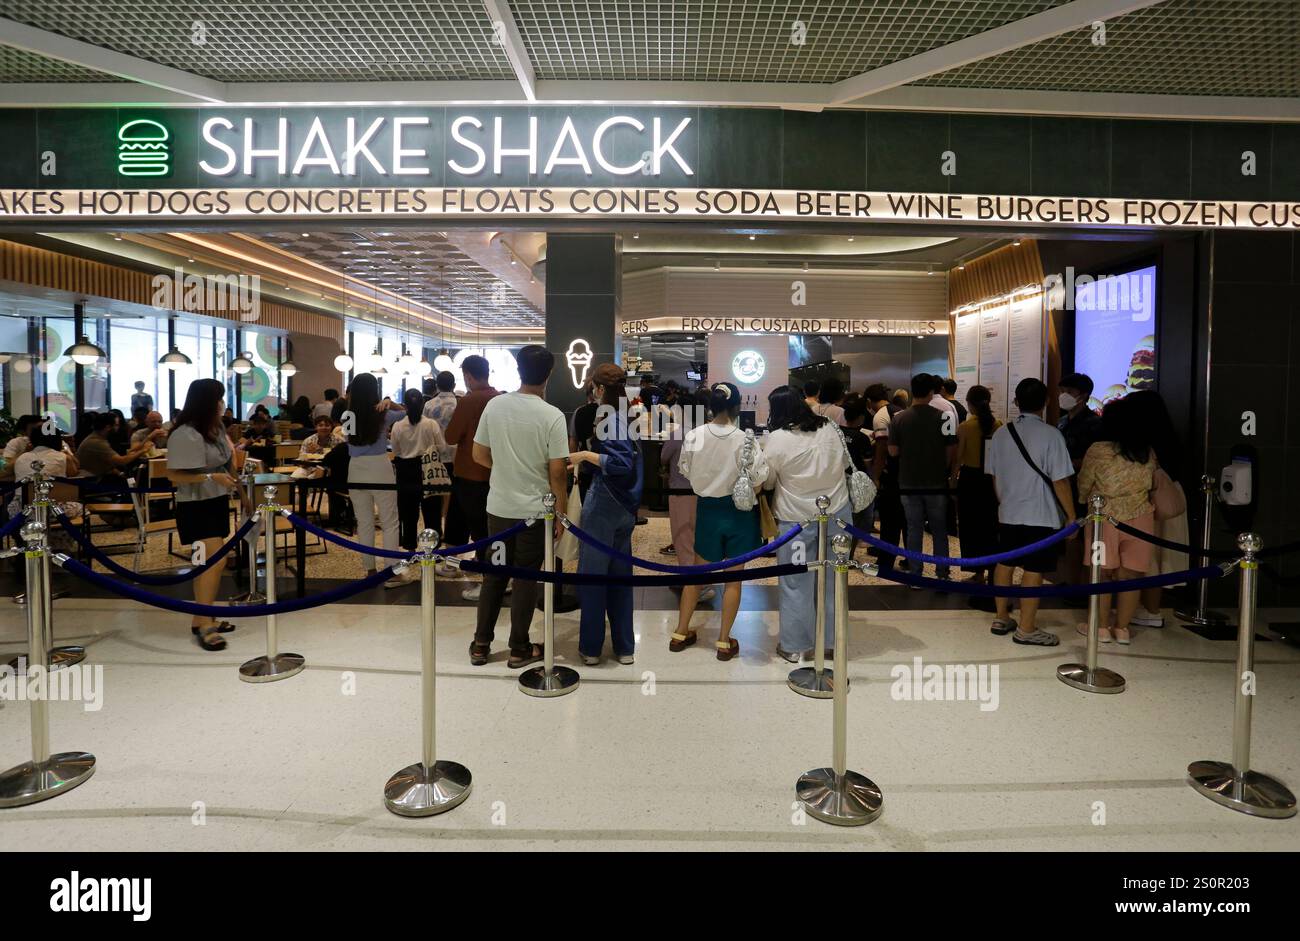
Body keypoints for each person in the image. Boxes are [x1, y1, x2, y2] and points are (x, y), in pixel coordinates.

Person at [468, 345, 567, 669]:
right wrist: (560, 514)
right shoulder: (551, 415)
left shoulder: (496, 406)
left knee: (494, 576)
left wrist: (505, 467)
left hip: (498, 509)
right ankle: (518, 648)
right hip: (534, 513)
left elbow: (478, 455)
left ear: (518, 370)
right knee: (525, 578)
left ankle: (481, 644)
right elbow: (557, 472)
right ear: (549, 374)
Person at [672, 381, 767, 662]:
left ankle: (680, 632)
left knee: (697, 575)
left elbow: (685, 471)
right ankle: (724, 641)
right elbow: (760, 480)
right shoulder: (746, 439)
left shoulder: (695, 436)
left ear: (710, 407)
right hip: (738, 513)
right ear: (738, 407)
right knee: (734, 580)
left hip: (707, 511)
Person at [986, 378, 1077, 646]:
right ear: (1047, 402)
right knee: (1034, 569)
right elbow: (1060, 480)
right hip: (1041, 514)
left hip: (1009, 511)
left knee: (1005, 564)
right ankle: (1026, 628)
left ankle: (1001, 616)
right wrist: (1071, 516)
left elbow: (994, 476)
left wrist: (1005, 501)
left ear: (1016, 402)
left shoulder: (1001, 433)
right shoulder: (1052, 435)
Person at [764, 386, 851, 662]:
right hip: (838, 513)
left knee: (795, 582)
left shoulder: (777, 439)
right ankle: (830, 644)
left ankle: (794, 646)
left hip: (796, 519)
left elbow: (767, 480)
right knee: (835, 580)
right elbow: (844, 465)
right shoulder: (830, 429)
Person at [568, 363, 643, 666]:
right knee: (620, 577)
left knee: (594, 577)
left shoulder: (607, 416)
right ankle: (624, 646)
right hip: (625, 506)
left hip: (605, 502)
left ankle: (591, 648)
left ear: (598, 388)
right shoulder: (628, 414)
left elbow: (620, 464)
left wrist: (585, 455)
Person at [167, 378, 246, 651]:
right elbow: (174, 474)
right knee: (214, 561)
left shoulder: (216, 428)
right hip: (195, 505)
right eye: (219, 398)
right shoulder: (185, 434)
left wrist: (242, 493)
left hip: (216, 502)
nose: (222, 404)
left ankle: (202, 616)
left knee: (208, 563)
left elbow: (229, 463)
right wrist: (211, 476)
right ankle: (205, 623)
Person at [1077, 397, 1157, 645]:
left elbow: (1084, 483)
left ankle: (1100, 627)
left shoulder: (1098, 450)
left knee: (1101, 574)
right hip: (1141, 517)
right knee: (1131, 576)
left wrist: (1082, 499)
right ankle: (1122, 629)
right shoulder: (1146, 451)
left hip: (1104, 518)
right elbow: (1151, 482)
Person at [1124, 390, 1187, 628]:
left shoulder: (1143, 444)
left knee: (1149, 560)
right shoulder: (1170, 436)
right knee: (1160, 560)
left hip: (1152, 503)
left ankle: (1149, 611)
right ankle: (1151, 609)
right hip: (1171, 500)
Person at [888, 373, 957, 579]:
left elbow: (892, 451)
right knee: (939, 529)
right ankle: (942, 572)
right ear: (931, 392)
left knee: (913, 528)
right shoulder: (944, 417)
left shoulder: (898, 418)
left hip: (908, 481)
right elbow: (951, 449)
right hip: (936, 481)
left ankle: (915, 573)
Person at [443, 354, 498, 602]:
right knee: (492, 527)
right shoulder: (499, 398)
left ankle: (490, 582)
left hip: (470, 473)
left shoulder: (468, 401)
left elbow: (451, 436)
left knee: (477, 528)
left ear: (467, 375)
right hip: (496, 473)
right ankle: (495, 572)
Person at [344, 372, 405, 579]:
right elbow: (406, 412)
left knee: (364, 522)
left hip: (355, 468)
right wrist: (390, 402)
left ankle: (370, 569)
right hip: (380, 466)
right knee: (389, 521)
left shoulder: (347, 416)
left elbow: (349, 440)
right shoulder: (383, 414)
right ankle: (392, 570)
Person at [391, 386, 448, 579]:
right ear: (423, 404)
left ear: (405, 405)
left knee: (408, 512)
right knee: (431, 511)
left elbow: (396, 451)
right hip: (427, 468)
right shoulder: (431, 424)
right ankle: (433, 549)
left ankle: (409, 549)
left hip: (405, 470)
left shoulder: (398, 425)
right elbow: (441, 446)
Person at [658, 433, 716, 605]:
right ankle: (690, 579)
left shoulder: (678, 434)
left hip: (682, 492)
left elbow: (664, 456)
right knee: (699, 537)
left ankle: (698, 587)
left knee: (683, 538)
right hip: (704, 492)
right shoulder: (706, 432)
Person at [954, 385, 1001, 585]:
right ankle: (992, 571)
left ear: (970, 404)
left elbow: (958, 458)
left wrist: (951, 479)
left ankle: (978, 571)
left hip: (969, 480)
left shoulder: (965, 427)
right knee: (990, 527)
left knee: (970, 528)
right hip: (990, 480)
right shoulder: (997, 424)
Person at [866, 383, 906, 570]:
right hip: (907, 471)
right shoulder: (900, 410)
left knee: (889, 520)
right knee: (906, 520)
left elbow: (882, 450)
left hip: (892, 472)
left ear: (869, 401)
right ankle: (911, 558)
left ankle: (886, 561)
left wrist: (875, 475)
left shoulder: (880, 416)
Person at [841, 395, 876, 557]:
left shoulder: (837, 433)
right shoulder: (862, 438)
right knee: (859, 518)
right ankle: (850, 554)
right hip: (857, 482)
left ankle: (840, 553)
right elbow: (867, 462)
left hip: (839, 481)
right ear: (861, 418)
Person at [77, 412, 155, 478]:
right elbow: (121, 461)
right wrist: (143, 450)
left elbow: (108, 464)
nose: (118, 428)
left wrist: (120, 473)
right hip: (94, 480)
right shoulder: (97, 443)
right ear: (108, 427)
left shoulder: (97, 439)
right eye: (116, 425)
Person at [568, 381, 600, 502]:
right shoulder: (611, 411)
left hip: (584, 467)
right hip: (604, 466)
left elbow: (573, 440)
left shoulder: (579, 412)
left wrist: (572, 463)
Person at [1, 414, 42, 480]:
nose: (40, 432)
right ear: (23, 432)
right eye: (34, 430)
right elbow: (5, 469)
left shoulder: (54, 441)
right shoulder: (16, 442)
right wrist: (25, 452)